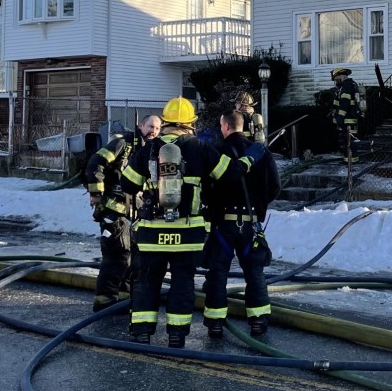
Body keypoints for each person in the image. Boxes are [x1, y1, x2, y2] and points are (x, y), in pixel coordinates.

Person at [118, 97, 264, 347]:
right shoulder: (200, 148)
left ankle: (142, 331)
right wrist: (250, 157)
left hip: (152, 233)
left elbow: (127, 184)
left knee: (147, 281)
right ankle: (177, 335)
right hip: (187, 234)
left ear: (165, 122)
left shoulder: (149, 149)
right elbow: (230, 174)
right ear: (190, 124)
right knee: (182, 282)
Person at [202, 111, 281, 339]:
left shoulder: (217, 151)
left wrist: (213, 209)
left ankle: (215, 323)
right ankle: (258, 321)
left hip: (223, 225)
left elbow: (206, 188)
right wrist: (258, 206)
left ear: (225, 126)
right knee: (254, 272)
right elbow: (275, 186)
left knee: (218, 273)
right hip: (250, 224)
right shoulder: (260, 152)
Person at [84, 115, 160, 311]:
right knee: (116, 256)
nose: (153, 131)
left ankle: (124, 300)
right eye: (150, 126)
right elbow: (96, 162)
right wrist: (96, 193)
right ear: (141, 125)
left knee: (133, 259)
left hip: (135, 214)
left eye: (157, 128)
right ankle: (105, 302)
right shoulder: (123, 144)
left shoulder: (152, 149)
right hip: (113, 210)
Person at [330, 67, 362, 163]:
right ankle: (349, 161)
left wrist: (340, 117)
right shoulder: (347, 86)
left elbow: (345, 103)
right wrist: (334, 110)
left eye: (337, 79)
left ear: (342, 76)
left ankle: (351, 163)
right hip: (349, 119)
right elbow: (338, 103)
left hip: (348, 120)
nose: (336, 82)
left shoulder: (346, 87)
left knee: (348, 141)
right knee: (347, 141)